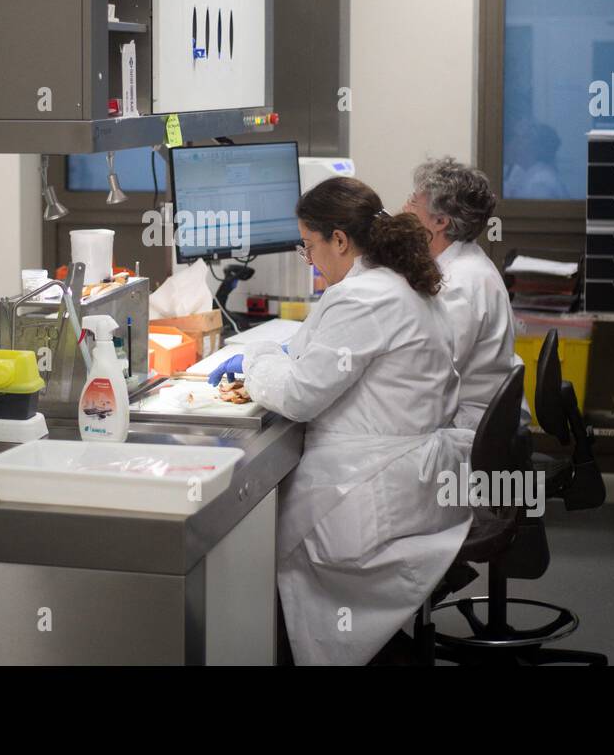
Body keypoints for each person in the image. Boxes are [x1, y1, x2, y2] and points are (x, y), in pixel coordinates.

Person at [207, 176, 473, 665]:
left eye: (309, 247)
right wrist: (280, 355)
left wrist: (251, 362)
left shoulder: (365, 297)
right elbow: (321, 355)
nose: (309, 260)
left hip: (377, 489)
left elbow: (302, 394)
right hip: (406, 469)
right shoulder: (390, 281)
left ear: (340, 240)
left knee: (256, 549)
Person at [404, 156, 529, 430]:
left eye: (413, 202)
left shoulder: (458, 285)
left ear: (439, 221)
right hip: (479, 411)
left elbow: (430, 371)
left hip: (471, 427)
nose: (404, 209)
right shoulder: (467, 262)